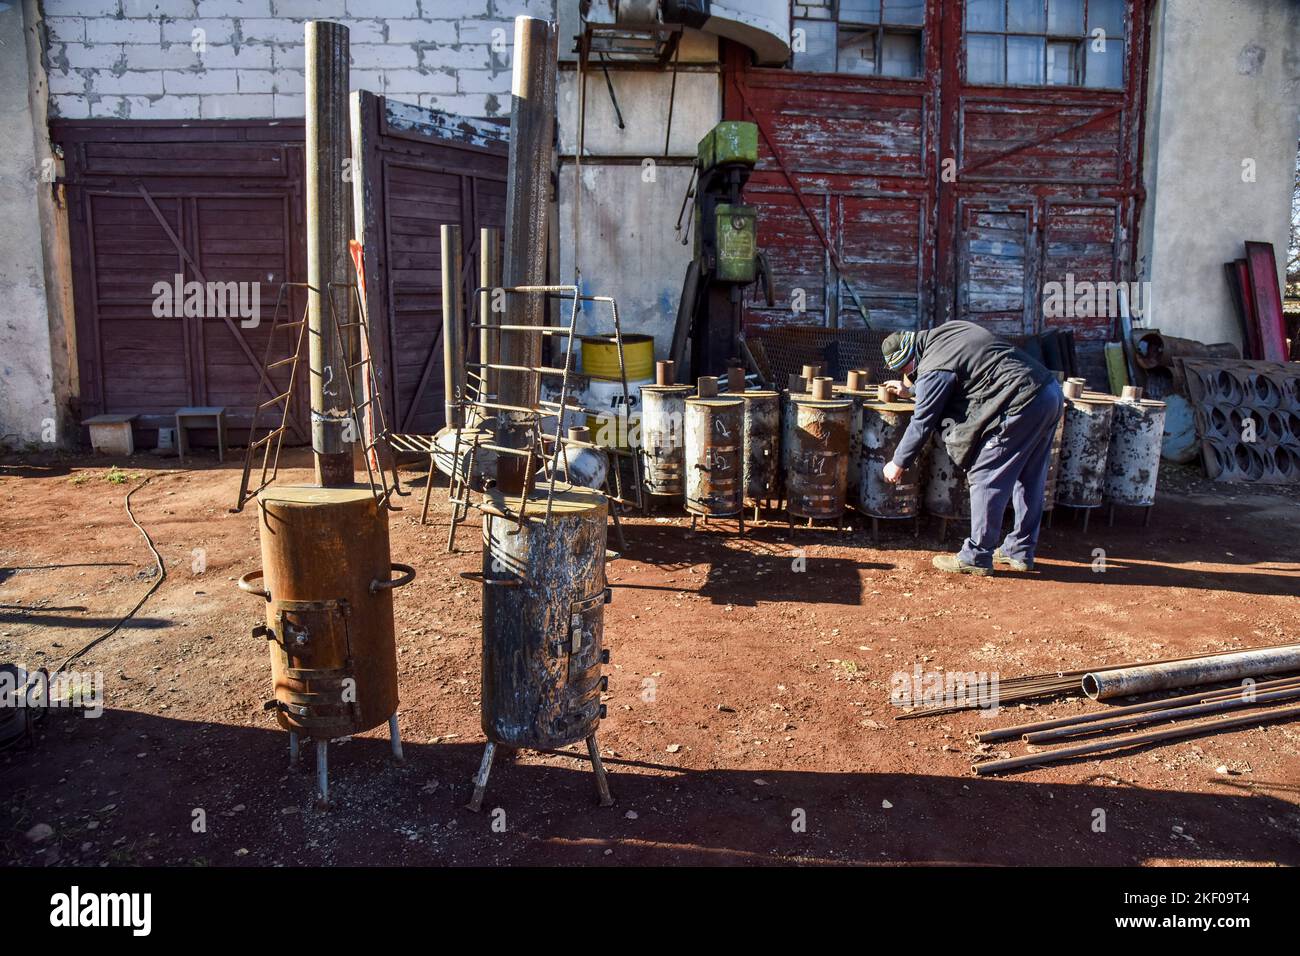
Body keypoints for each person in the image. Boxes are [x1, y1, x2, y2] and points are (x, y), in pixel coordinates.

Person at [879, 321, 1064, 575]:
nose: (908, 373)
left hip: (1021, 403)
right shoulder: (947, 332)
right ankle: (1019, 550)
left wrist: (898, 462)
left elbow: (923, 420)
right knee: (1030, 476)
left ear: (913, 354)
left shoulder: (933, 366)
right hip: (1048, 392)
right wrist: (913, 391)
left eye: (906, 368)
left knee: (986, 474)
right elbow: (965, 370)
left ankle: (977, 555)